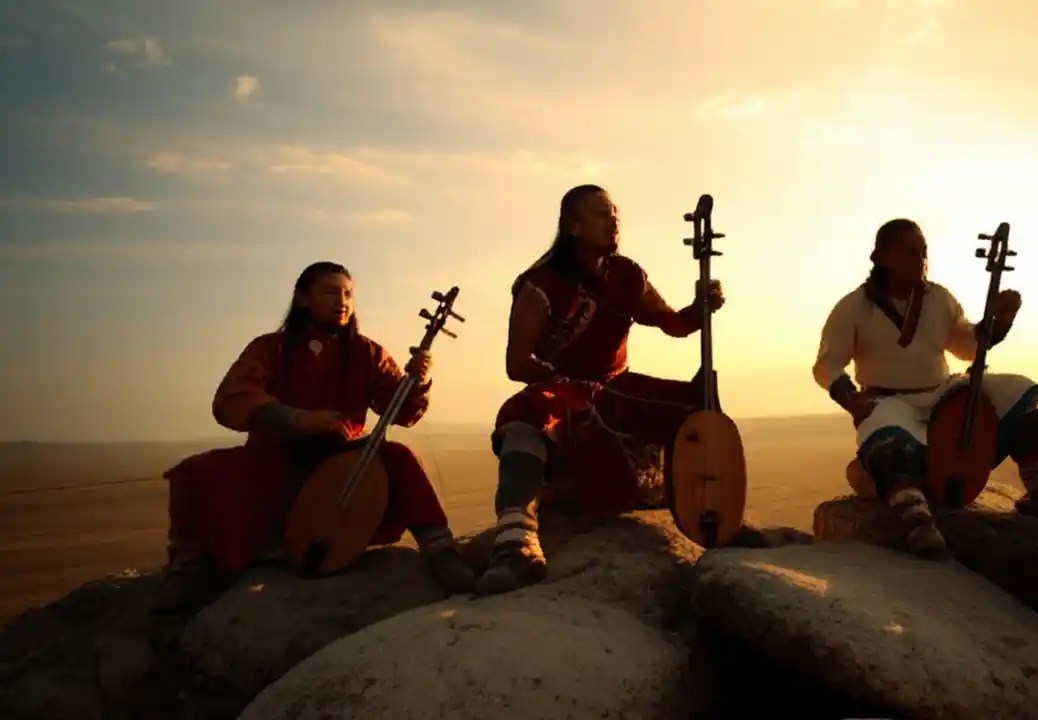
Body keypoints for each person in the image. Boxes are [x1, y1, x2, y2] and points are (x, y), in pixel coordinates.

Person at [154, 261, 475, 612]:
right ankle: (187, 568)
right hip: (279, 458)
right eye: (330, 292)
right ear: (303, 299)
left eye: (349, 294)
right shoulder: (270, 348)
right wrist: (296, 420)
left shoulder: (367, 352)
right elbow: (232, 398)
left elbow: (401, 411)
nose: (343, 301)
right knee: (198, 471)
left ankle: (440, 551)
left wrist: (419, 381)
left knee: (398, 457)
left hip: (343, 463)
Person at [477, 184, 726, 596]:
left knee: (699, 403)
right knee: (527, 412)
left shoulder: (627, 275)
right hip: (562, 391)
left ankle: (712, 515)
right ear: (573, 225)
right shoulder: (540, 284)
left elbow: (673, 325)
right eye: (600, 213)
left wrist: (701, 306)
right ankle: (516, 542)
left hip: (616, 390)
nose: (613, 221)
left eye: (615, 214)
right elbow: (517, 364)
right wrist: (562, 382)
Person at [812, 218, 1038, 557]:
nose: (920, 258)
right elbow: (828, 364)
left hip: (941, 394)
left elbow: (966, 346)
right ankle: (915, 518)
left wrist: (997, 323)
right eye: (910, 251)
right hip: (889, 401)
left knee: (1015, 395)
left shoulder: (938, 299)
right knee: (886, 431)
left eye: (923, 251)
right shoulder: (854, 307)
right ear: (882, 256)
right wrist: (850, 397)